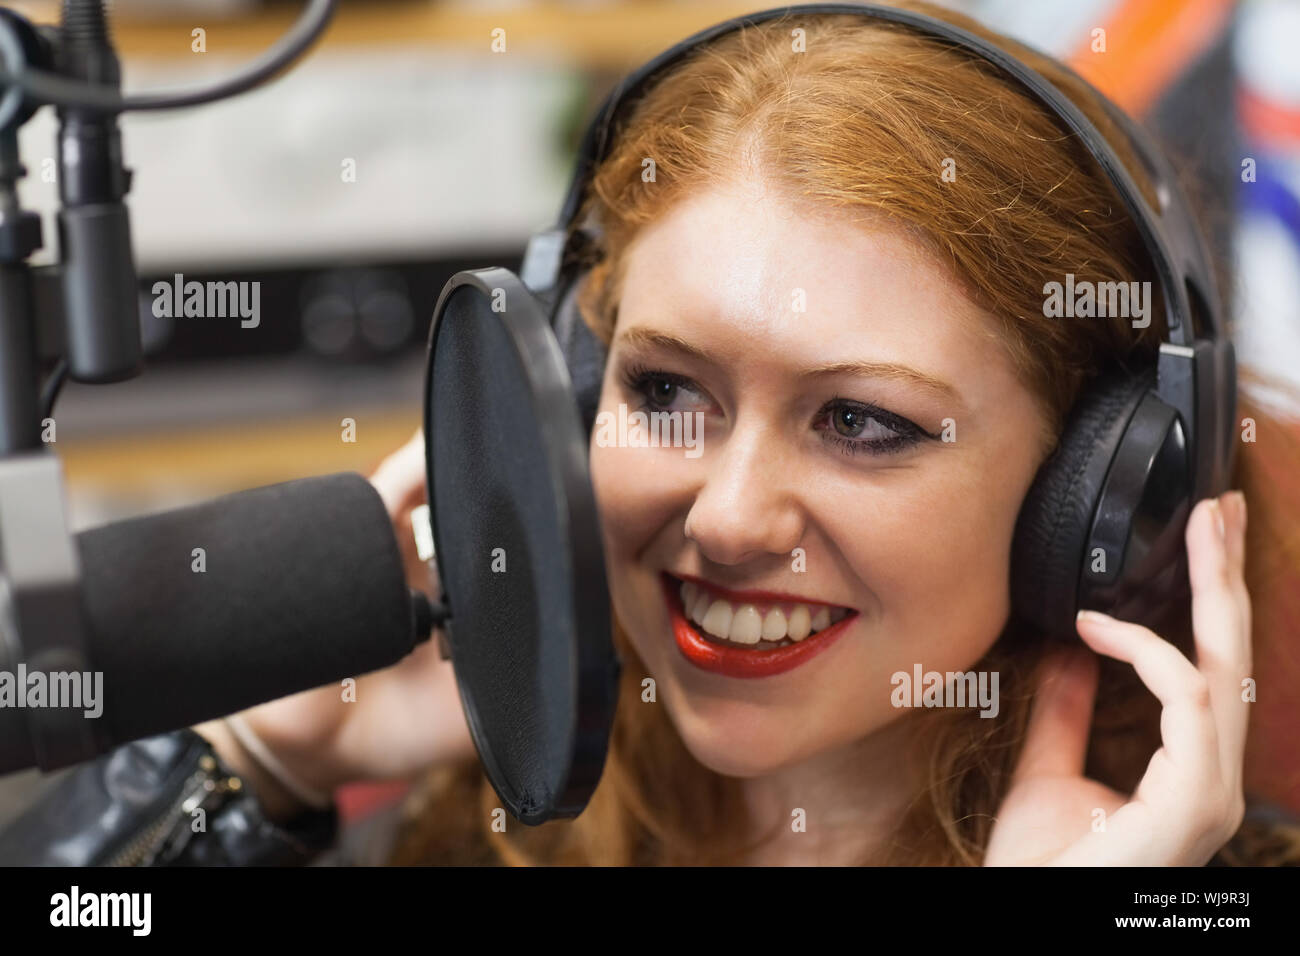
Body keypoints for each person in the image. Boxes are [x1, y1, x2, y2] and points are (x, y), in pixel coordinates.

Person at [4, 1, 1298, 866]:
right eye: (667, 393)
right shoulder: (491, 826)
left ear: (1102, 495)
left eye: (862, 421)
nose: (729, 519)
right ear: (568, 393)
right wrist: (246, 777)